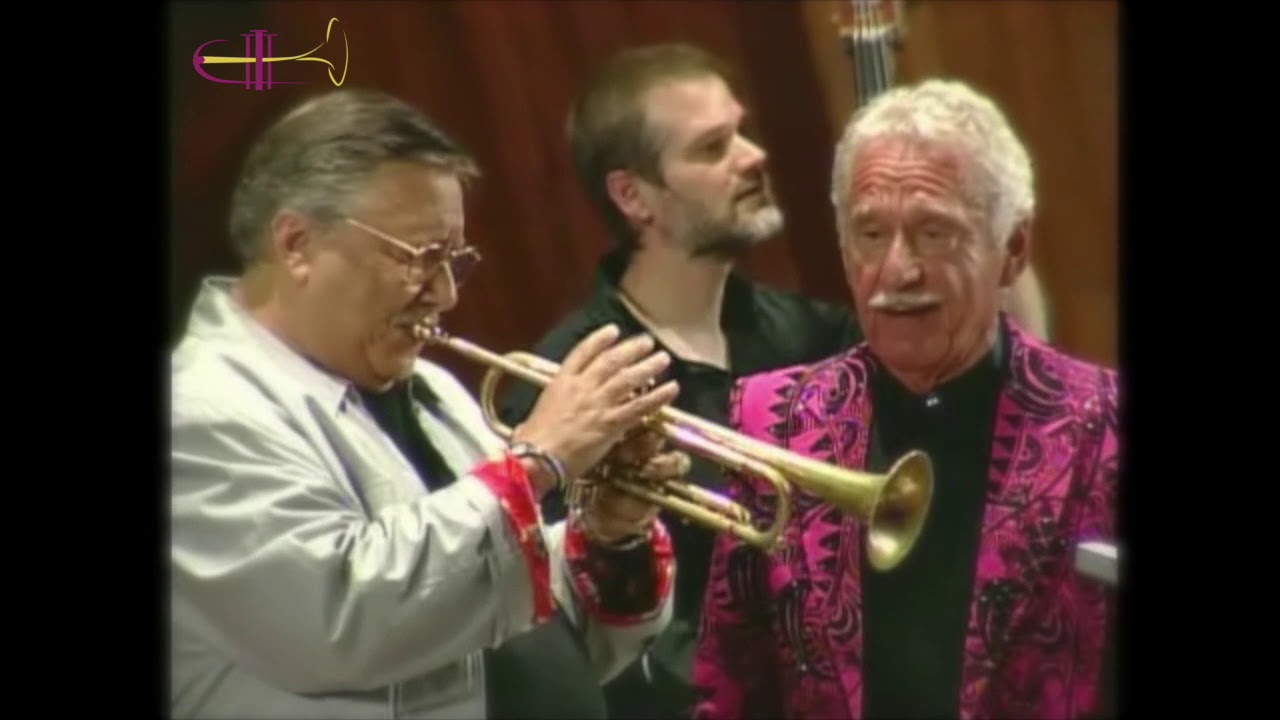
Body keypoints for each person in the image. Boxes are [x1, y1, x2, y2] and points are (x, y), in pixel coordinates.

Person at [169, 88, 690, 719]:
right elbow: (346, 615)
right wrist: (537, 462)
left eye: (455, 260)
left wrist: (609, 535)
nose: (444, 295)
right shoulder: (197, 413)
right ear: (297, 243)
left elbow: (495, 612)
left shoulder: (433, 389)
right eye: (420, 257)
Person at [690, 78, 1119, 719]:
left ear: (1013, 250)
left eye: (934, 233)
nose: (896, 271)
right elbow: (728, 684)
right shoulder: (769, 419)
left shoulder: (1107, 422)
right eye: (869, 234)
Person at [497, 43, 863, 719]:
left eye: (741, 131)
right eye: (712, 147)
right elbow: (575, 614)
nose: (752, 156)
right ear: (633, 195)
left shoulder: (808, 332)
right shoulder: (570, 380)